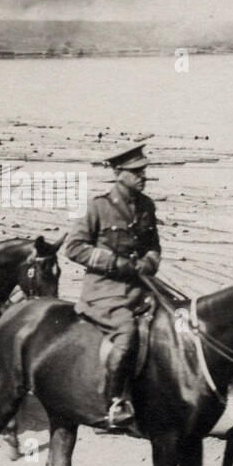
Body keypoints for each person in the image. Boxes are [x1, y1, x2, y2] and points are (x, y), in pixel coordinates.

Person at [64, 143, 161, 430]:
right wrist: (115, 263)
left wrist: (149, 262)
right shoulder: (98, 207)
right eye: (135, 172)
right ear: (118, 173)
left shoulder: (146, 206)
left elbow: (153, 246)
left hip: (141, 289)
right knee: (127, 332)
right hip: (104, 292)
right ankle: (113, 400)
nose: (142, 176)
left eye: (143, 170)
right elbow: (74, 248)